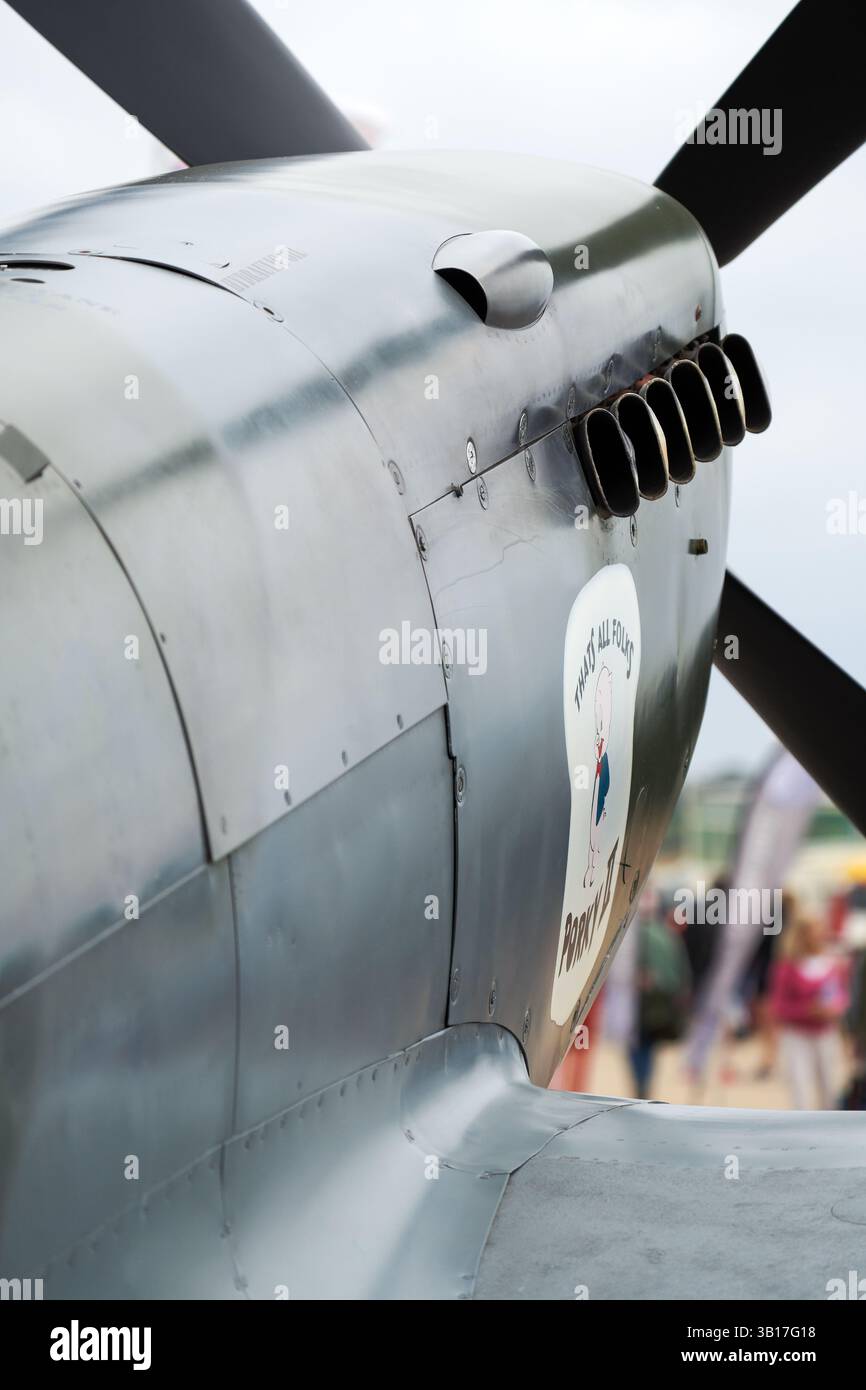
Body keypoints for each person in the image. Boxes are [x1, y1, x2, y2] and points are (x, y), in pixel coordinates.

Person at [769, 913, 849, 1109]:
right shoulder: (787, 966)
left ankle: (830, 1131)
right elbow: (778, 1006)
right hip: (797, 1035)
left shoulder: (830, 963)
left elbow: (840, 994)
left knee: (830, 1087)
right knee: (800, 1088)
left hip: (825, 1033)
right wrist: (807, 1010)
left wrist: (834, 1008)